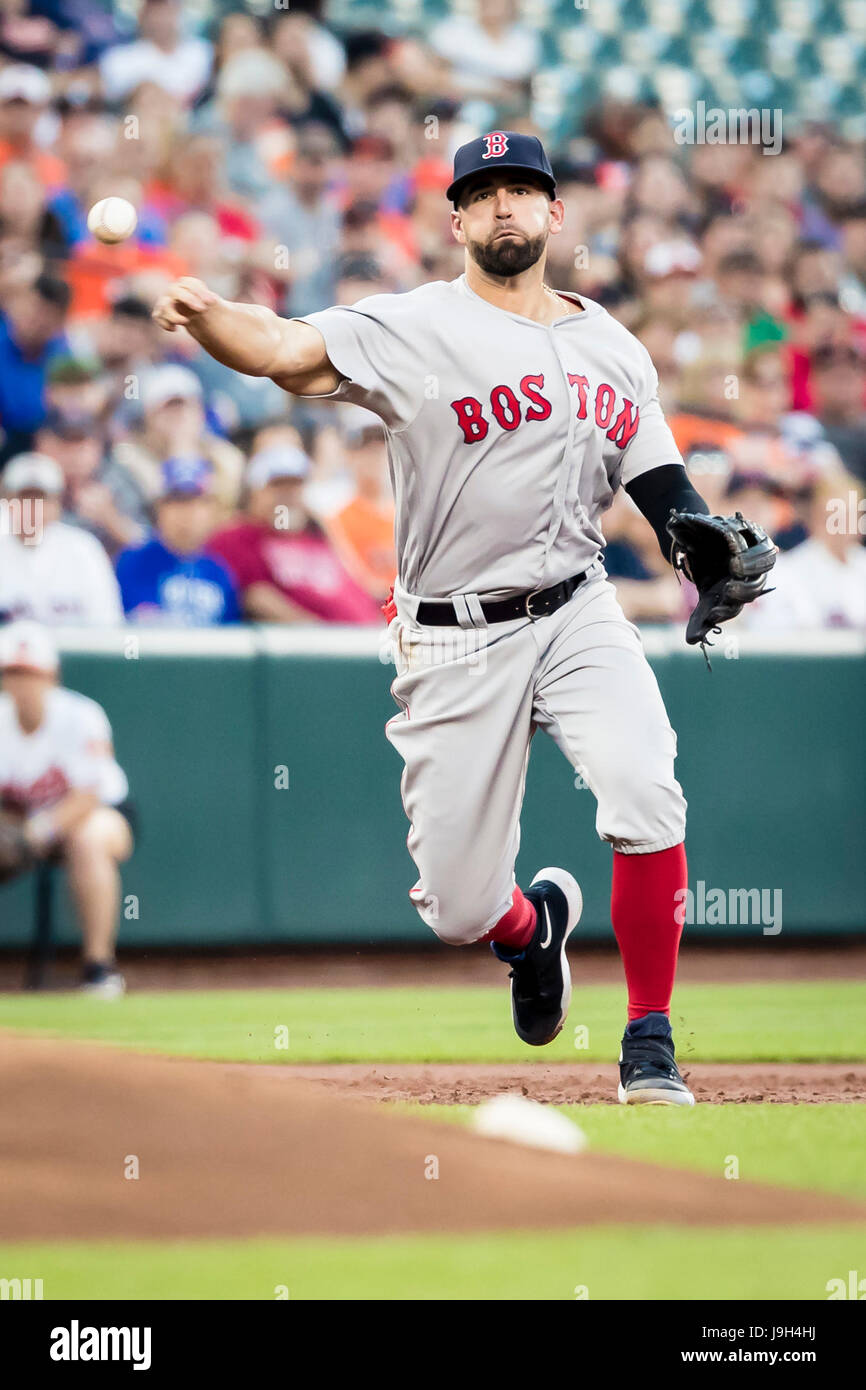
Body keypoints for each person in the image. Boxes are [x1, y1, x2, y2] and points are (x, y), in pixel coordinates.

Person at [153, 130, 776, 1105]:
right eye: (481, 193)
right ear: (453, 220)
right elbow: (284, 347)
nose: (502, 207)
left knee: (644, 788)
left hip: (576, 609)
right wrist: (212, 317)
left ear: (554, 213)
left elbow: (659, 482)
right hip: (450, 632)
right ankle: (531, 933)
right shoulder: (411, 325)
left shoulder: (612, 346)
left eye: (521, 190)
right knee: (454, 904)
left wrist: (690, 537)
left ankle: (647, 1039)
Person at [0, 621, 133, 997]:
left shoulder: (81, 715)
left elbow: (88, 795)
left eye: (31, 673)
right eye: (12, 672)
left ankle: (98, 968)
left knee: (86, 838)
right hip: (23, 819)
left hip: (101, 812)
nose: (22, 683)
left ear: (52, 676)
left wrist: (36, 832)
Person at [206, 446, 380, 623]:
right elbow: (257, 597)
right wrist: (320, 634)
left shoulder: (318, 535)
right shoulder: (239, 536)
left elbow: (357, 587)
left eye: (295, 486)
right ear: (255, 493)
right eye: (278, 487)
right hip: (309, 643)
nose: (287, 496)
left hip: (363, 634)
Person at [0, 452, 123, 625]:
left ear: (58, 504)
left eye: (41, 499)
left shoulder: (84, 549)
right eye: (23, 498)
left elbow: (108, 623)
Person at [116, 458, 239, 626]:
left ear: (212, 509)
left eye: (196, 502)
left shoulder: (219, 571)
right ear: (159, 508)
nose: (187, 512)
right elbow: (141, 622)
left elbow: (232, 634)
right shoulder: (135, 561)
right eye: (177, 501)